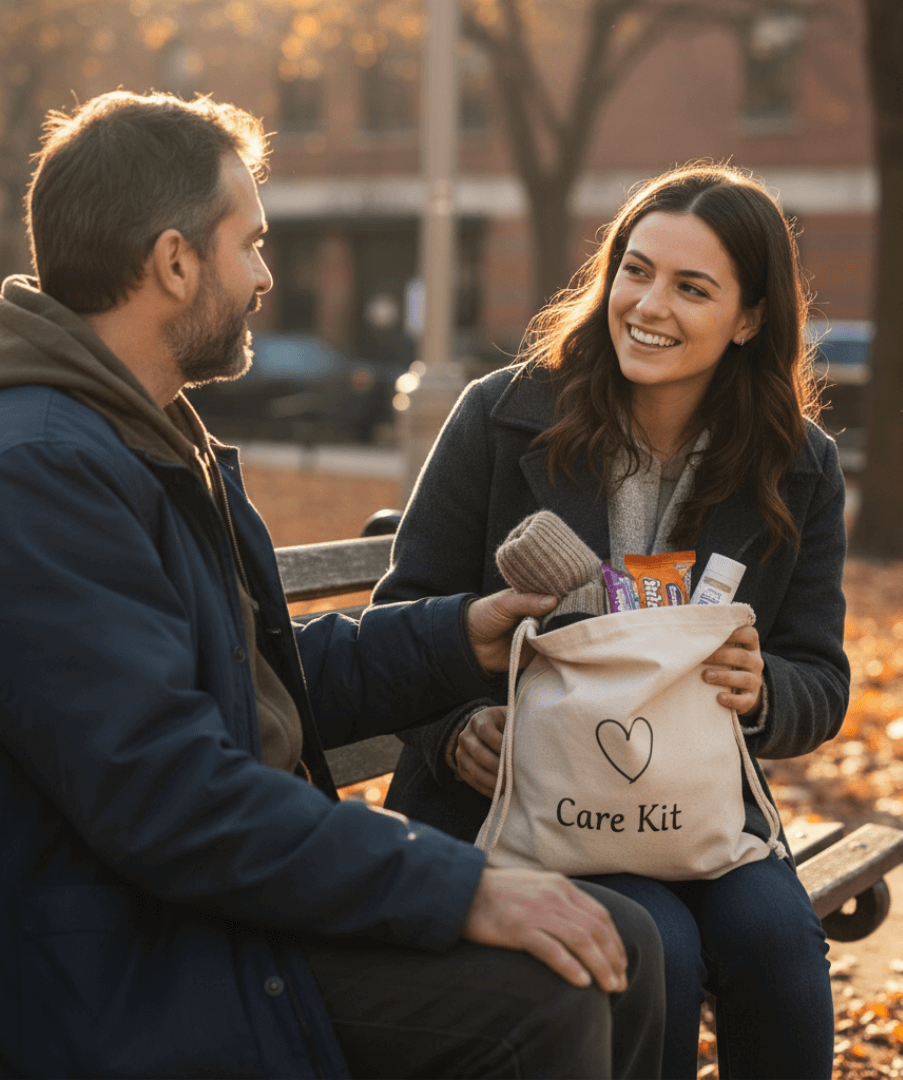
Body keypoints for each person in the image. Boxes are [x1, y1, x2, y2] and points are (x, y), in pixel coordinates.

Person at [0, 91, 666, 1080]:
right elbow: (163, 789)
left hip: (224, 891)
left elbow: (240, 677)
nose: (268, 275)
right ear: (176, 262)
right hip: (136, 951)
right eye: (252, 243)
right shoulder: (46, 467)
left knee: (626, 945)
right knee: (559, 990)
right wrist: (463, 886)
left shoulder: (145, 432)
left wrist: (461, 636)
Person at [372, 163, 851, 1079]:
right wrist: (451, 728)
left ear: (750, 318)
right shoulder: (500, 418)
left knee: (780, 945)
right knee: (654, 944)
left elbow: (819, 679)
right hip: (521, 806)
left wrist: (765, 690)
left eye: (691, 287)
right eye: (636, 269)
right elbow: (402, 617)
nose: (649, 305)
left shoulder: (798, 466)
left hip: (692, 808)